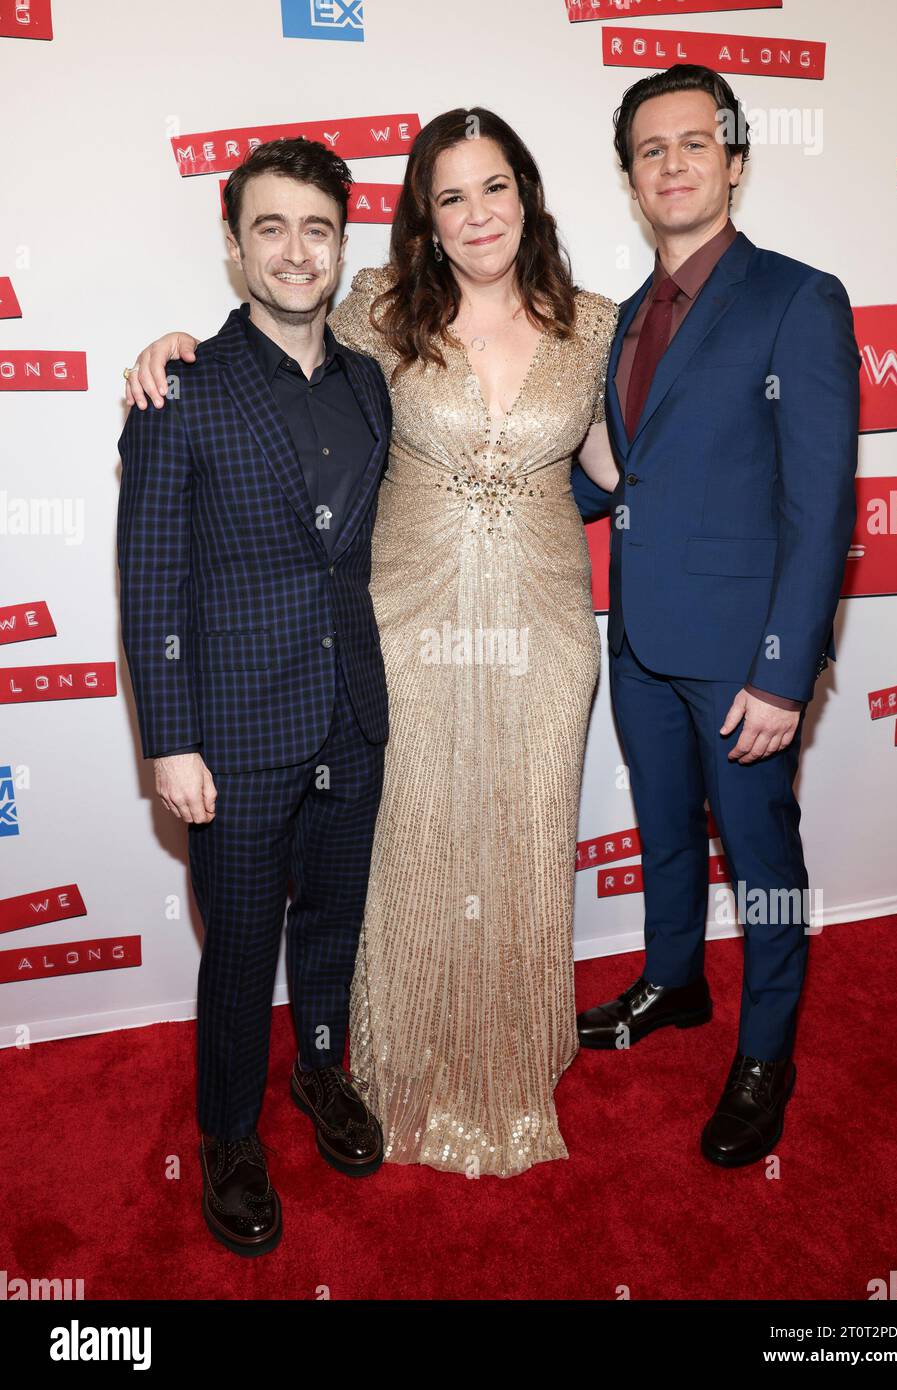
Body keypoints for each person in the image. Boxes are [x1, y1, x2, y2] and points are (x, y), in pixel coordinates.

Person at [124, 109, 619, 1177]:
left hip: (457, 662)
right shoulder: (349, 329)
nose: (477, 212)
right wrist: (167, 349)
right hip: (351, 665)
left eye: (495, 188)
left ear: (527, 195)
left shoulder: (573, 330)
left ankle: (340, 1066)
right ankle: (232, 1139)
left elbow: (622, 464)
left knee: (370, 908)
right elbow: (153, 570)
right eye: (450, 195)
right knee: (258, 934)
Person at [570, 64, 860, 1167]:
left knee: (763, 857)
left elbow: (819, 499)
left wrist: (785, 671)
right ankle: (675, 982)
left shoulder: (798, 297)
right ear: (631, 177)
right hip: (640, 640)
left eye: (696, 143)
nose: (673, 164)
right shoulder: (626, 317)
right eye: (651, 149)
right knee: (660, 835)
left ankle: (766, 1050)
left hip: (745, 653)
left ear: (735, 161)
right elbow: (613, 477)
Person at [117, 138, 392, 1256]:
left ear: (340, 243)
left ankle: (319, 1070)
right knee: (238, 942)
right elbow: (150, 577)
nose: (294, 249)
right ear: (235, 248)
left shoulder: (370, 380)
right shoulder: (179, 385)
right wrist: (169, 744)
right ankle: (229, 1134)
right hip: (233, 731)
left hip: (353, 713)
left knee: (331, 928)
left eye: (316, 228)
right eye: (269, 227)